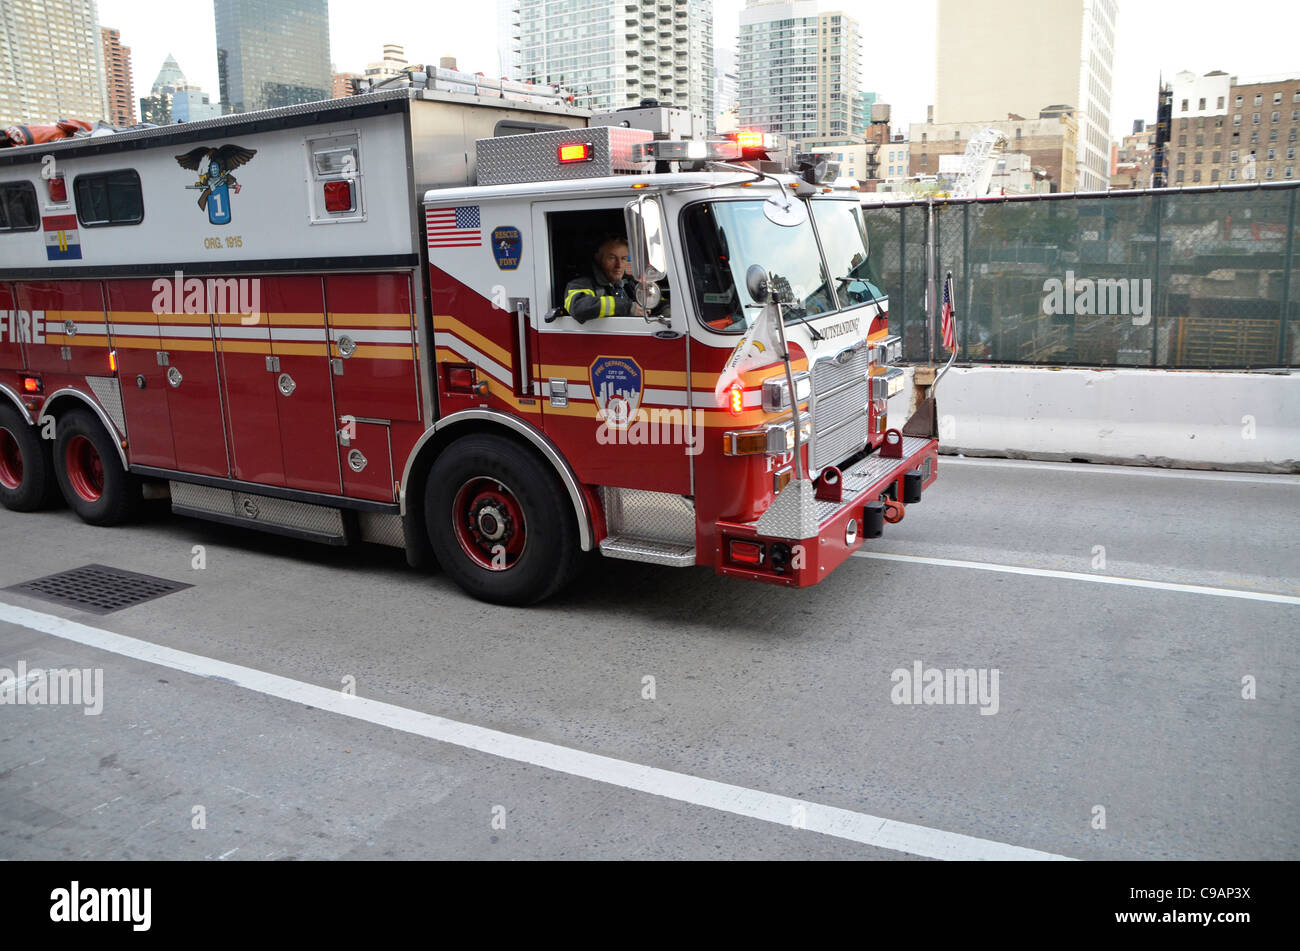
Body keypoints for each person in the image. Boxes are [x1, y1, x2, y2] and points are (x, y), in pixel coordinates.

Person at [563, 236, 649, 323]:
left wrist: (660, 307)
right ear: (598, 258)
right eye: (612, 258)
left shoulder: (628, 283)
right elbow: (578, 307)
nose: (619, 265)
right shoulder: (581, 283)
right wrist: (626, 307)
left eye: (623, 258)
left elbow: (651, 302)